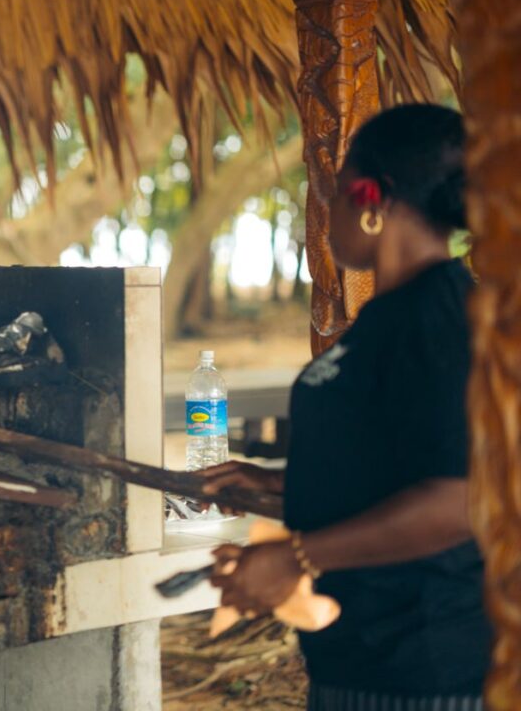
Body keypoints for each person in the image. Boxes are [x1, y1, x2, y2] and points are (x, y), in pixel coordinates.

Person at [201, 104, 491, 710]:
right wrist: (280, 487)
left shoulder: (437, 316)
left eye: (331, 193)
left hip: (426, 669)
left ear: (369, 197)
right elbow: (392, 472)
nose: (322, 212)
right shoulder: (388, 319)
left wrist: (298, 555)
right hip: (361, 662)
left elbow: (462, 498)